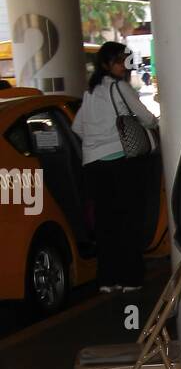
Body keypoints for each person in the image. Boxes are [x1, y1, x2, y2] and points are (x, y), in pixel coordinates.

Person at [72, 42, 158, 293]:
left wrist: (95, 140)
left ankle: (107, 280)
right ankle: (130, 278)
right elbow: (146, 117)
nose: (124, 65)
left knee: (105, 223)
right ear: (106, 64)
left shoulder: (89, 92)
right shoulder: (120, 87)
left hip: (93, 165)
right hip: (120, 160)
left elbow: (77, 128)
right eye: (119, 61)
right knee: (128, 220)